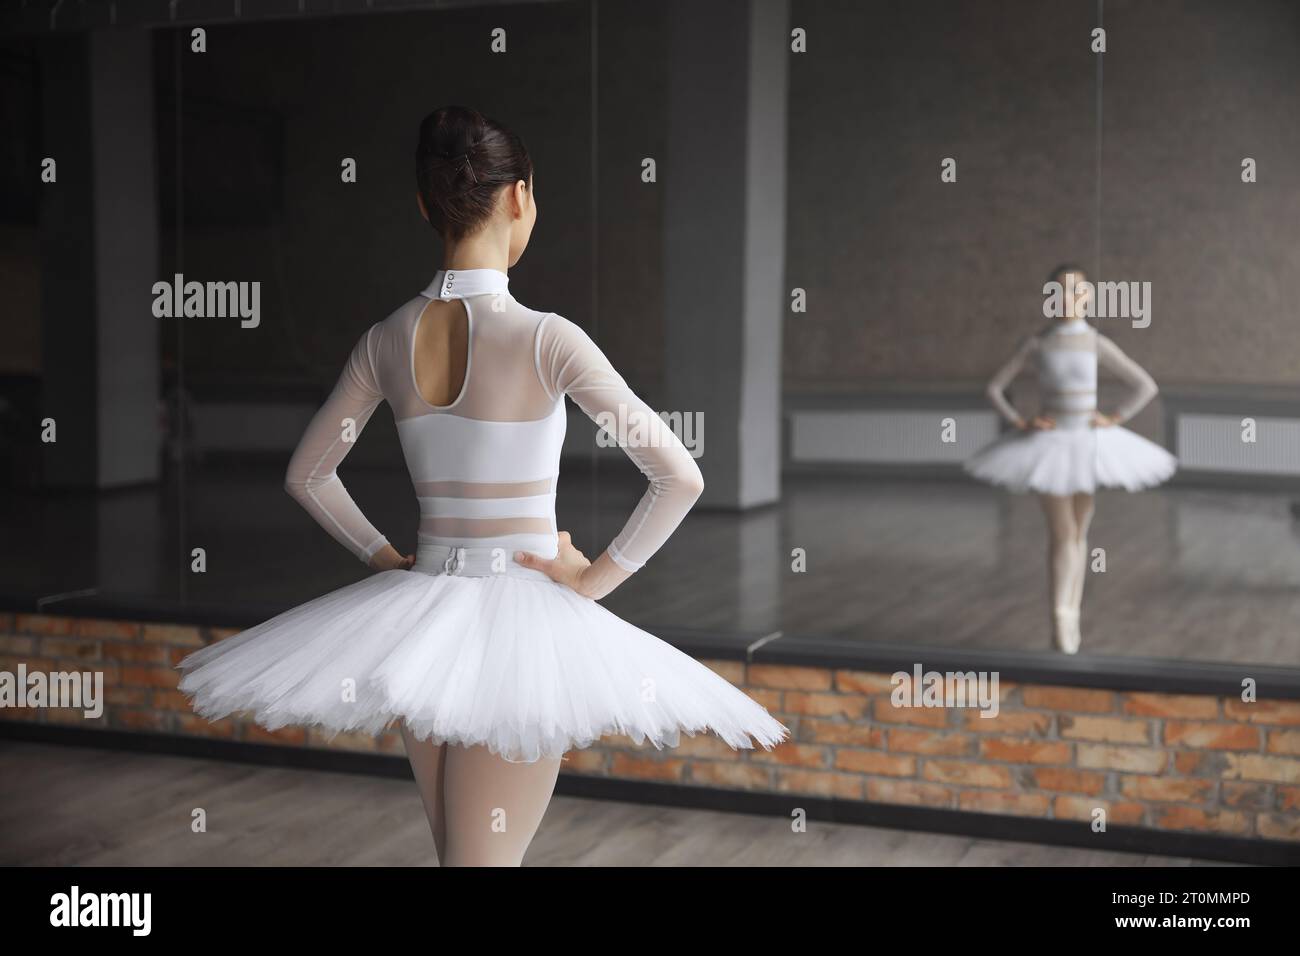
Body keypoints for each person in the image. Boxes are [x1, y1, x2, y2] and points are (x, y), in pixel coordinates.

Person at [177, 105, 787, 866]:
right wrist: (592, 582)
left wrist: (386, 561)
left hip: (420, 620)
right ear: (520, 197)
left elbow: (308, 475)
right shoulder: (547, 339)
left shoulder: (385, 340)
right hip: (519, 628)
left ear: (425, 205)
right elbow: (679, 475)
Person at [964, 264, 1177, 654]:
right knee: (1063, 534)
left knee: (1079, 535)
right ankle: (1061, 623)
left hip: (1089, 443)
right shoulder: (1037, 343)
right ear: (1049, 297)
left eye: (1077, 290)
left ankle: (1071, 619)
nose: (1069, 298)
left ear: (1089, 296)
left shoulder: (1095, 341)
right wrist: (1021, 421)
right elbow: (995, 388)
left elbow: (1145, 385)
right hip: (1051, 446)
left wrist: (1114, 418)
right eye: (1061, 291)